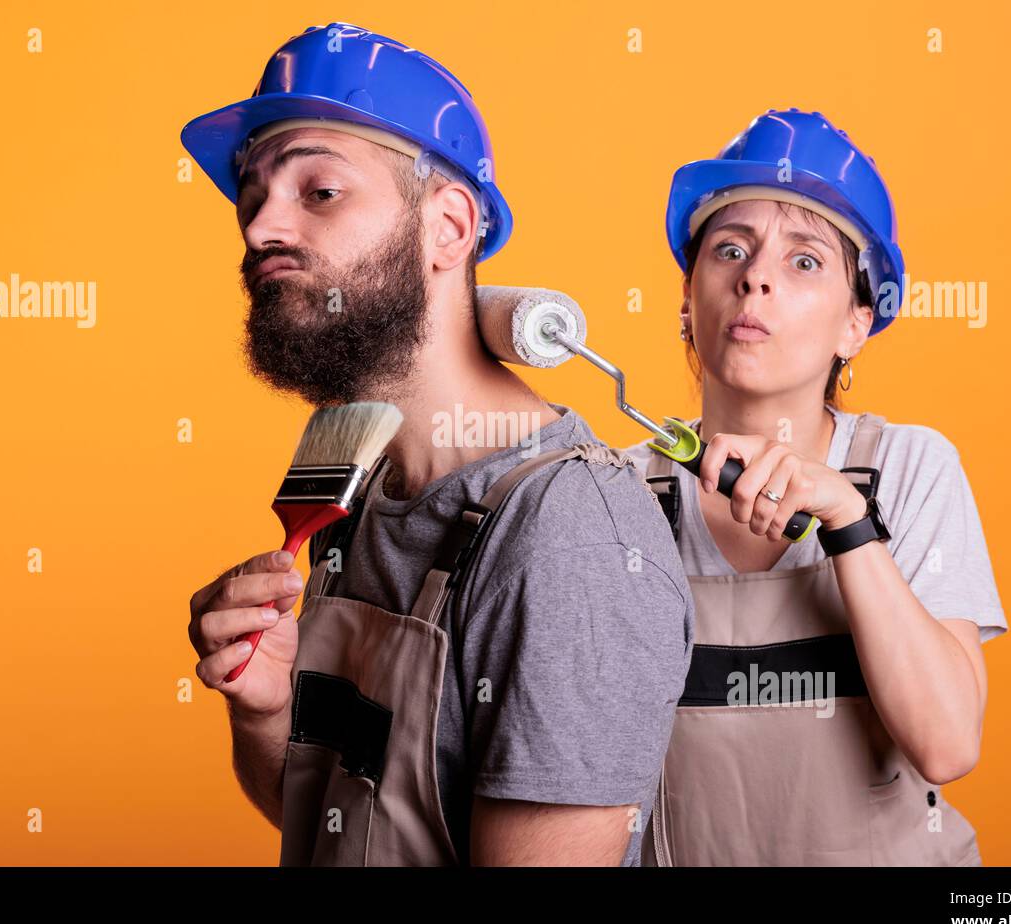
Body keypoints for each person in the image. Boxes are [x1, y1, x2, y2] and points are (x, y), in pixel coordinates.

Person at [180, 22, 693, 866]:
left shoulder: (569, 536)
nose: (260, 226)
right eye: (254, 193)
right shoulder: (359, 484)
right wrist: (267, 711)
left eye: (319, 191)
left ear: (449, 228)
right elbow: (336, 817)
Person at [621, 109, 1008, 866]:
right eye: (730, 249)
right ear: (688, 299)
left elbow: (948, 742)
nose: (755, 276)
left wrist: (849, 522)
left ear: (856, 324)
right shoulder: (619, 493)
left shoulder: (909, 469)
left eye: (805, 262)